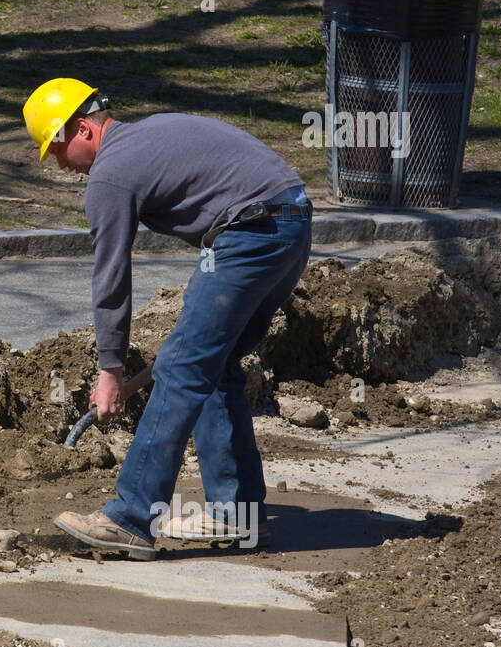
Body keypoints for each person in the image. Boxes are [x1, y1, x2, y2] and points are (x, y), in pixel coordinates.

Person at [22, 78, 312, 560]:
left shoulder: (110, 173)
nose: (58, 163)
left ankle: (130, 517)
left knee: (180, 367)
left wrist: (110, 369)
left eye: (56, 147)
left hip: (251, 232)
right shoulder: (149, 134)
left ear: (83, 129)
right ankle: (238, 514)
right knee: (213, 366)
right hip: (291, 223)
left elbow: (111, 277)